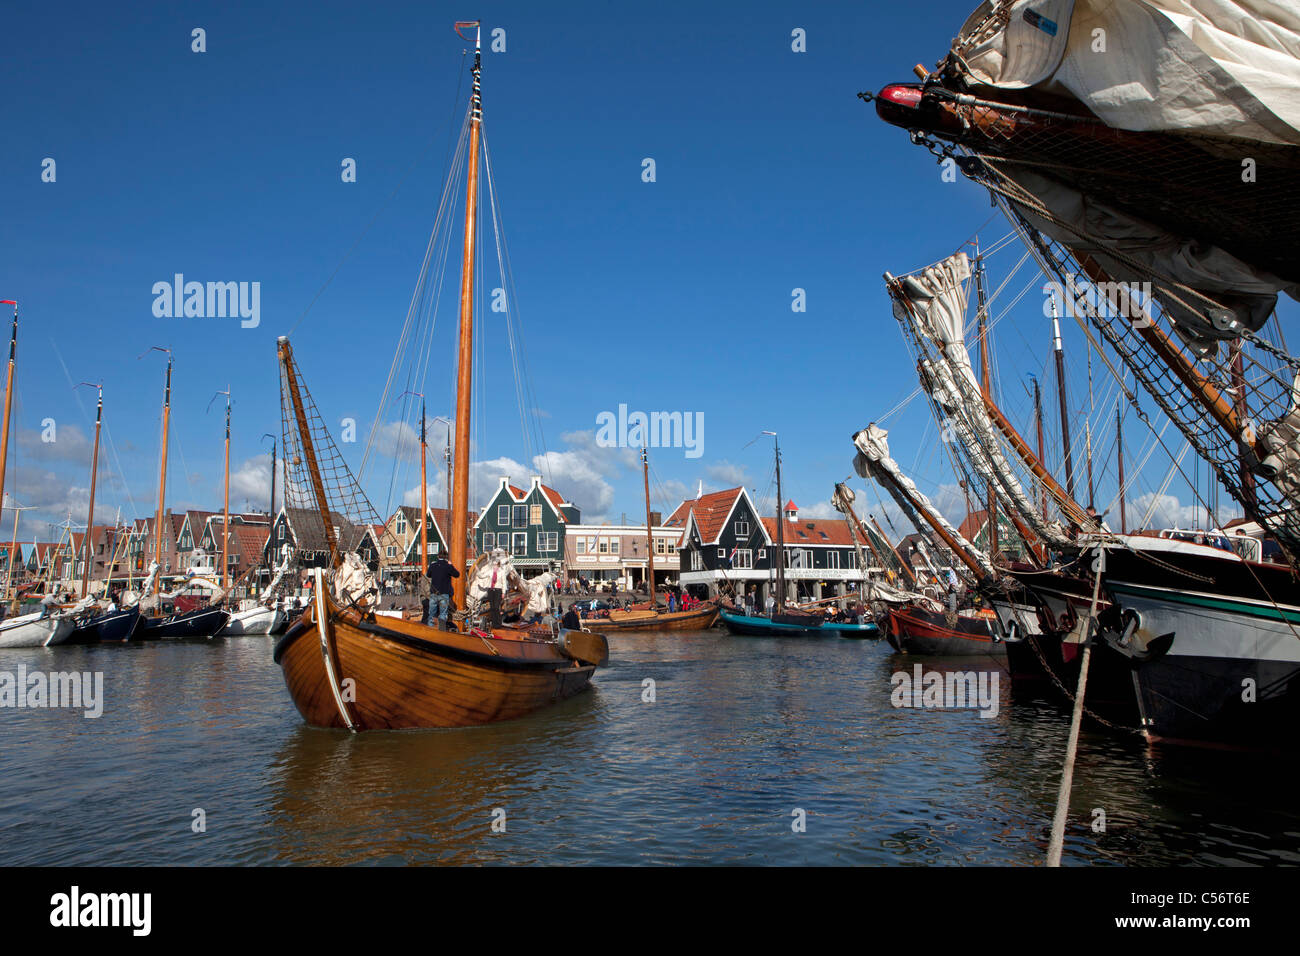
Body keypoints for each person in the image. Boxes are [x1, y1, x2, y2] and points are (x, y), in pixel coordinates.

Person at [425, 554, 460, 629]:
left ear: (438, 557)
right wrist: (451, 565)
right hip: (444, 594)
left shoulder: (433, 565)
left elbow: (428, 575)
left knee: (431, 614)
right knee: (443, 614)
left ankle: (430, 629)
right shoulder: (448, 566)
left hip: (434, 594)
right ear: (446, 558)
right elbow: (457, 574)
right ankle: (441, 630)